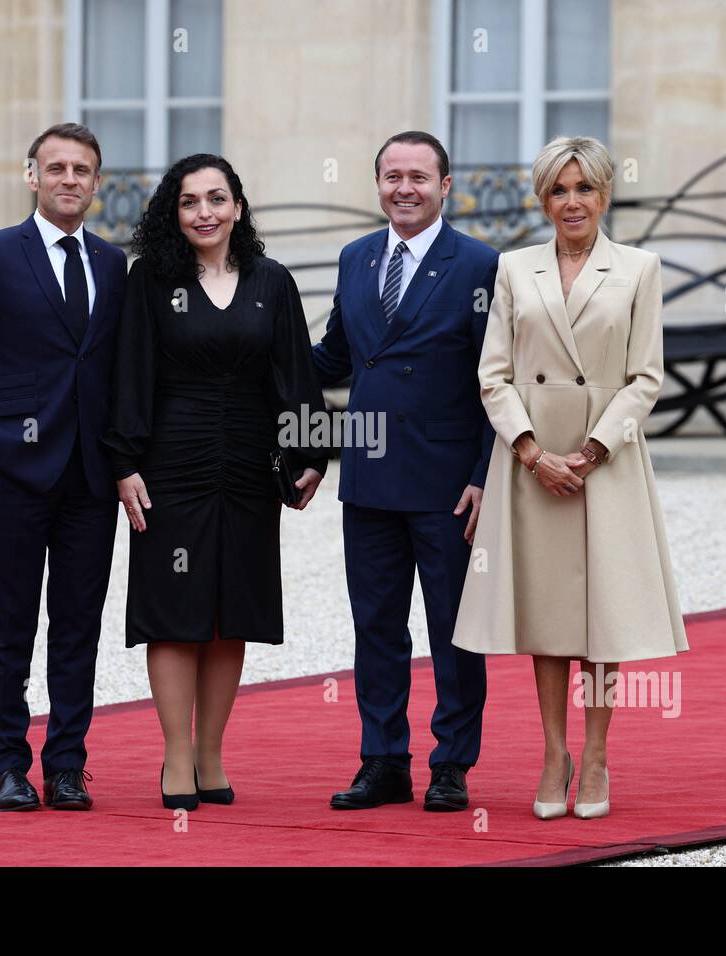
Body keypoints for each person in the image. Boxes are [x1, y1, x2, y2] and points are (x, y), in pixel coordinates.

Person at [451, 136, 689, 820]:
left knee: (602, 615)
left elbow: (646, 377)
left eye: (585, 188)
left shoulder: (640, 268)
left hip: (605, 462)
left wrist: (592, 449)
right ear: (542, 199)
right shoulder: (513, 268)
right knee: (549, 611)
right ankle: (554, 754)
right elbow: (493, 374)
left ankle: (597, 755)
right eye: (559, 189)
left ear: (605, 194)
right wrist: (531, 452)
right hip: (531, 463)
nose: (572, 201)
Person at [103, 153, 328, 812]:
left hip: (251, 465)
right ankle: (176, 754)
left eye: (216, 198)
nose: (204, 212)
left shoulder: (272, 281)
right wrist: (123, 463)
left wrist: (311, 453)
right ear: (173, 214)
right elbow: (129, 373)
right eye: (190, 201)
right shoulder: (151, 280)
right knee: (175, 612)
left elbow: (295, 372)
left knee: (233, 611)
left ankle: (210, 754)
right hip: (171, 463)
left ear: (238, 207)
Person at [0, 123, 126, 812]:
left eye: (82, 169)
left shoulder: (112, 264)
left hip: (90, 480)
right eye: (57, 167)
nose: (70, 179)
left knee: (78, 628)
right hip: (11, 475)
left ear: (96, 183)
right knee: (9, 627)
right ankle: (8, 766)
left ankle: (67, 765)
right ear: (32, 176)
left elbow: (114, 368)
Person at [311, 131, 498, 812]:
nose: (404, 188)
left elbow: (498, 380)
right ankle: (383, 760)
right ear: (378, 184)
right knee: (376, 627)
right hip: (369, 476)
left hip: (449, 483)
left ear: (445, 186)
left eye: (419, 177)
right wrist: (252, 350)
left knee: (454, 630)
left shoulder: (479, 264)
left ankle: (452, 764)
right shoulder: (356, 257)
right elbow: (333, 357)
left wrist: (486, 473)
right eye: (393, 176)